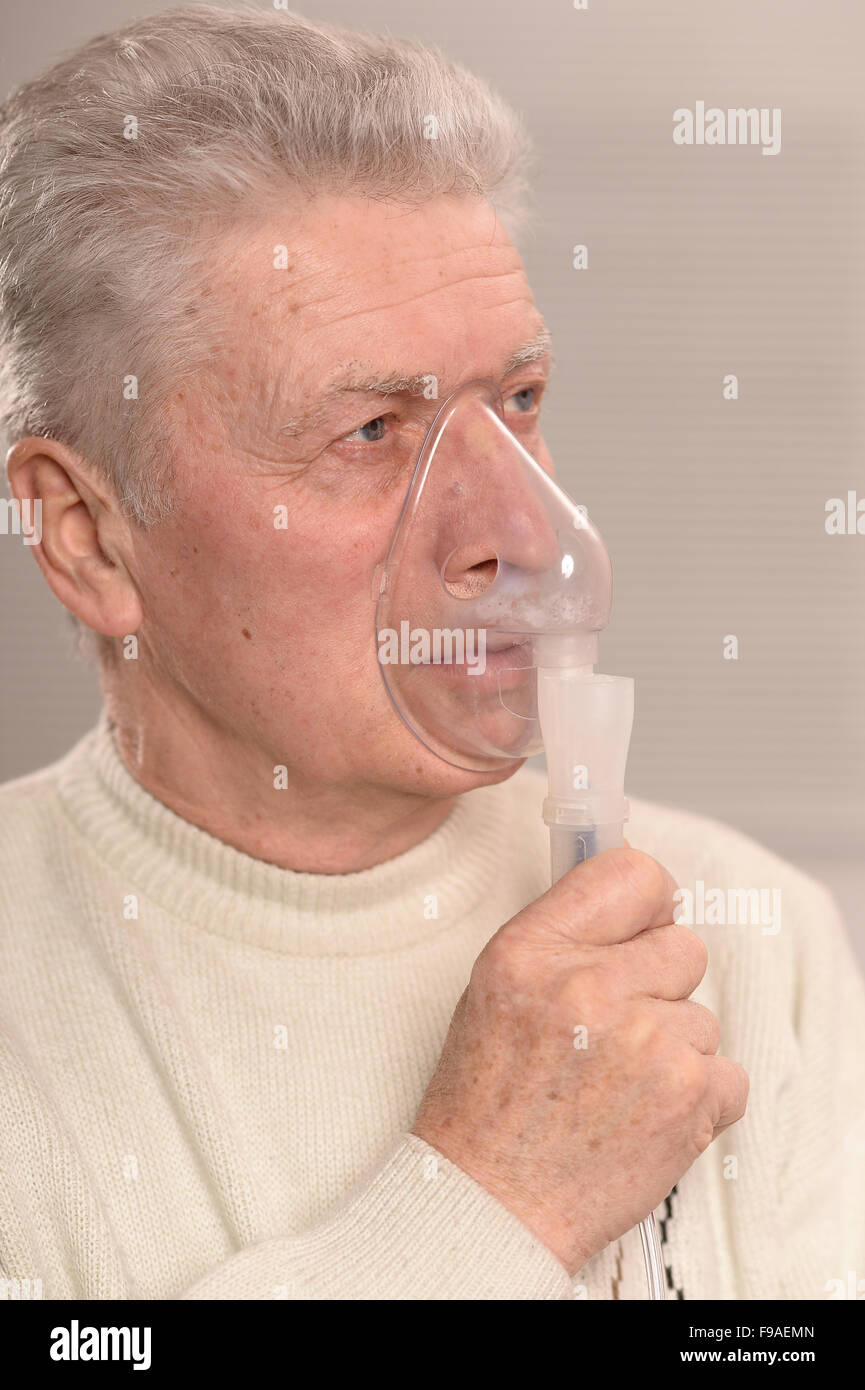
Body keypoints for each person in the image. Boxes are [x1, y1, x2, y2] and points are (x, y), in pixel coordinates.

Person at [0, 6, 862, 1301]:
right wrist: (489, 1201)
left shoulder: (741, 935)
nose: (522, 531)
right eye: (368, 431)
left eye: (518, 403)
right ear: (89, 535)